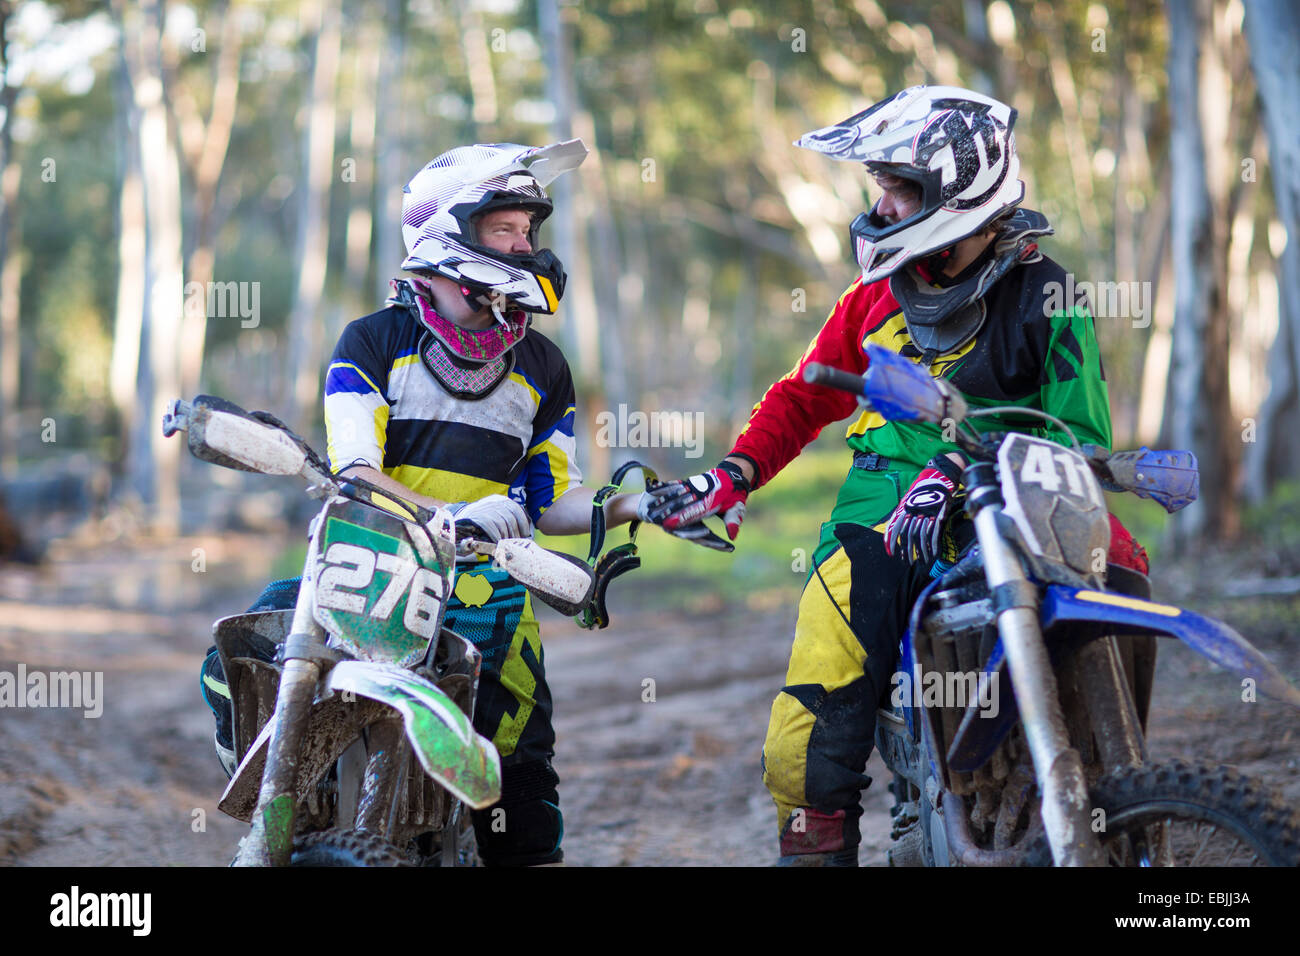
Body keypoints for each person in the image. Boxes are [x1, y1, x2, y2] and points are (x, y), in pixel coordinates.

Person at [639, 86, 1150, 865]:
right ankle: (819, 835)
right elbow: (804, 394)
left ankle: (1123, 790)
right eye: (879, 186)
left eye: (901, 188)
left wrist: (958, 460)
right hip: (883, 511)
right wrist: (732, 475)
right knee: (813, 704)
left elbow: (1079, 438)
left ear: (960, 189)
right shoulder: (873, 293)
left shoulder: (1050, 295)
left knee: (1123, 562)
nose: (881, 204)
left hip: (1012, 501)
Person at [202, 140, 643, 867]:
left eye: (530, 231)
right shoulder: (373, 342)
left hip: (492, 582)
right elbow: (357, 472)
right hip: (367, 560)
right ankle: (275, 790)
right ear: (449, 231)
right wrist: (445, 518)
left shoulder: (542, 366)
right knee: (232, 660)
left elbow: (550, 497)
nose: (525, 245)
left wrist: (640, 506)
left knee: (524, 786)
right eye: (506, 229)